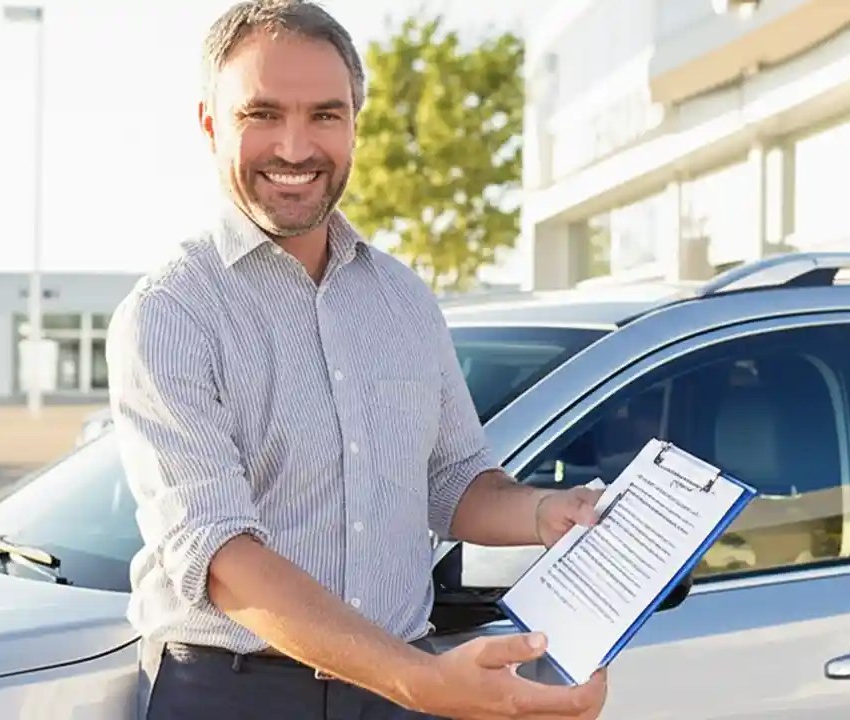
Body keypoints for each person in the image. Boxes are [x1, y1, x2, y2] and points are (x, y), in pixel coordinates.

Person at [106, 1, 610, 718]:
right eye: (262, 114)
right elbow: (221, 558)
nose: (295, 146)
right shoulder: (171, 313)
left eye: (325, 115)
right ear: (212, 125)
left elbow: (453, 483)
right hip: (235, 695)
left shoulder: (403, 300)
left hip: (394, 693)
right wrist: (424, 681)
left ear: (353, 125)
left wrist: (545, 512)